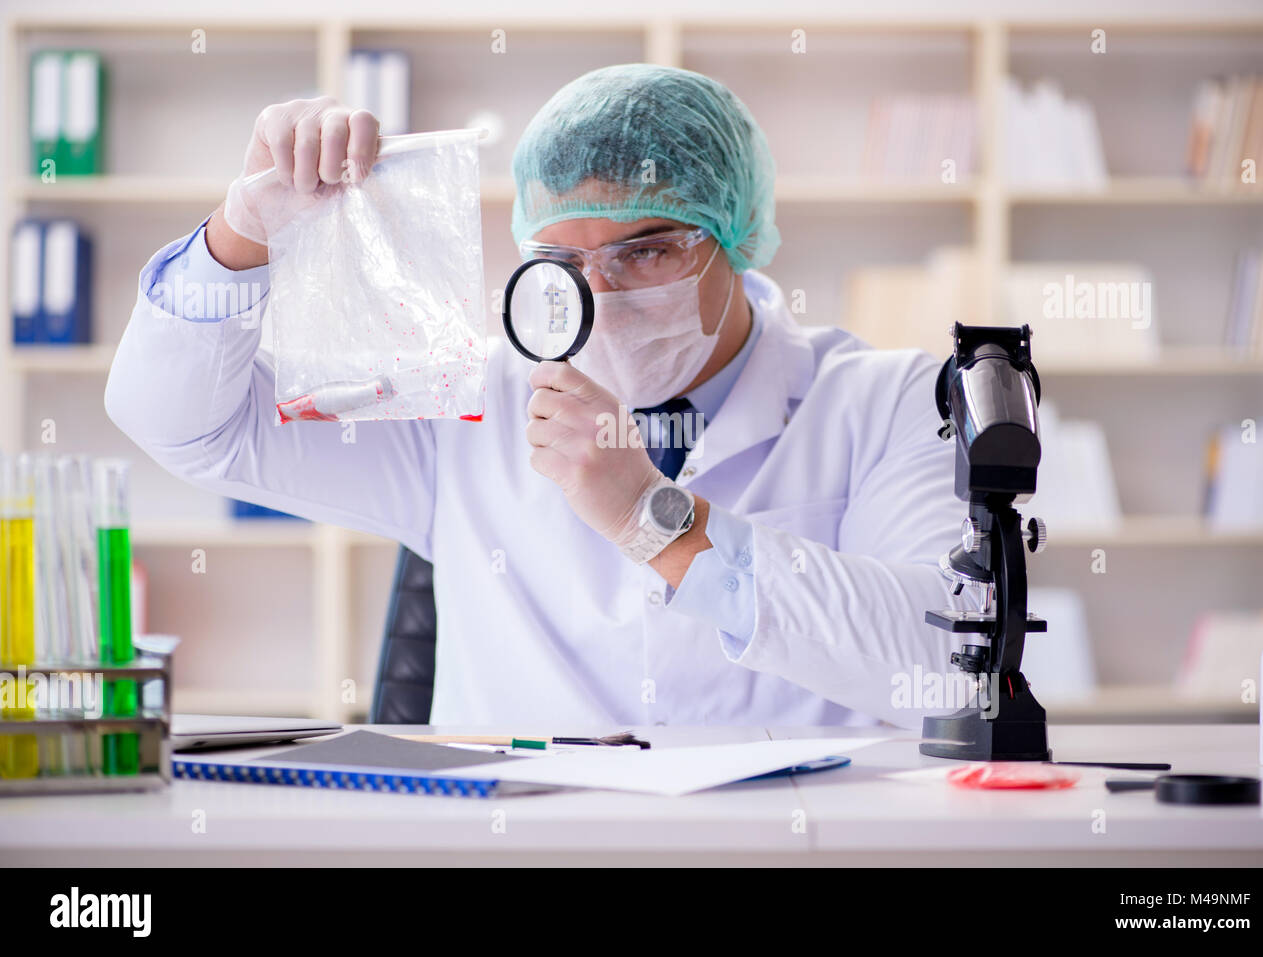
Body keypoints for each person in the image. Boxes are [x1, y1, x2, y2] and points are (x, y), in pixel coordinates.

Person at [106, 64, 975, 728]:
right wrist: (240, 236)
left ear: (735, 239)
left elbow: (948, 665)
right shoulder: (469, 397)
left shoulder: (887, 401)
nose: (602, 290)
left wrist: (659, 518)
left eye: (645, 250)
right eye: (561, 264)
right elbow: (185, 427)